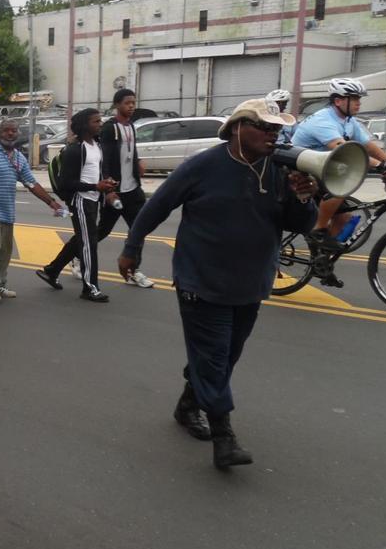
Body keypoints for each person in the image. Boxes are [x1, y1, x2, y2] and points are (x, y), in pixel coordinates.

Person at [118, 98, 317, 468]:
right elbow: (156, 206)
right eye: (264, 127)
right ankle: (224, 435)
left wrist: (303, 197)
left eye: (277, 129)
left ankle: (188, 403)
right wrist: (132, 247)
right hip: (201, 279)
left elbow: (300, 225)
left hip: (252, 282)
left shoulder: (280, 169)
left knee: (227, 356)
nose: (273, 135)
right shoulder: (203, 165)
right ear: (238, 128)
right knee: (213, 356)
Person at [0, 119, 65, 303]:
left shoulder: (18, 158)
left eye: (13, 131)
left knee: (5, 251)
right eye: (6, 130)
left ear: (18, 134)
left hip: (7, 212)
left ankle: (1, 284)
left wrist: (51, 202)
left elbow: (32, 183)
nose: (10, 133)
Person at [291, 78, 386, 251]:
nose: (359, 103)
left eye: (359, 99)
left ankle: (322, 259)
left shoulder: (349, 120)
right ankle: (318, 231)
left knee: (344, 217)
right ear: (338, 101)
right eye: (355, 99)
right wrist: (381, 166)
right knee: (341, 185)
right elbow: (347, 154)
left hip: (324, 165)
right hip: (300, 169)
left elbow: (367, 145)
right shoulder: (322, 121)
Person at [35, 108, 117, 302]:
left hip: (93, 199)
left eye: (100, 120)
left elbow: (97, 170)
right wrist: (95, 185)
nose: (100, 124)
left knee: (84, 239)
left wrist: (106, 184)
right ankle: (90, 288)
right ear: (85, 126)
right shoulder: (74, 150)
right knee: (88, 244)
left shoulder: (96, 145)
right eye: (96, 121)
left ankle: (51, 270)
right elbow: (66, 183)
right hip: (81, 200)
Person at [94, 88, 156, 288]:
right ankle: (78, 255)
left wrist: (138, 162)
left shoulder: (131, 126)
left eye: (133, 103)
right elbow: (104, 159)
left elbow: (131, 150)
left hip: (133, 190)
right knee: (102, 231)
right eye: (127, 103)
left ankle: (132, 270)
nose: (131, 106)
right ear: (117, 105)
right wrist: (109, 190)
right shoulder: (110, 128)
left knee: (139, 229)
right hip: (116, 190)